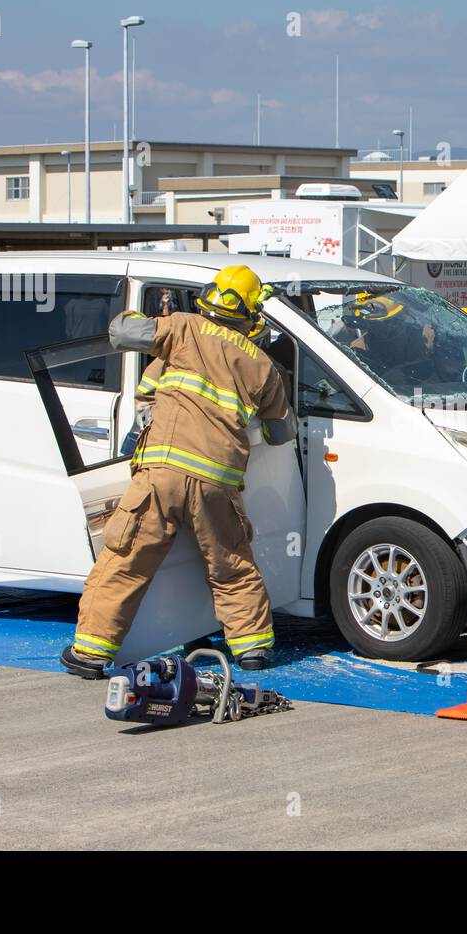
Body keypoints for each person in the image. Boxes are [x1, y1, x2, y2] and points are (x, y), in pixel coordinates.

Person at [60, 265, 296, 679]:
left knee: (125, 559)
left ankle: (91, 653)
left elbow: (122, 333)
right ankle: (253, 648)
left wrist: (153, 327)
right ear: (252, 315)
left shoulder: (183, 329)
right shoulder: (262, 366)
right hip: (218, 483)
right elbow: (280, 433)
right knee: (232, 564)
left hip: (161, 473)